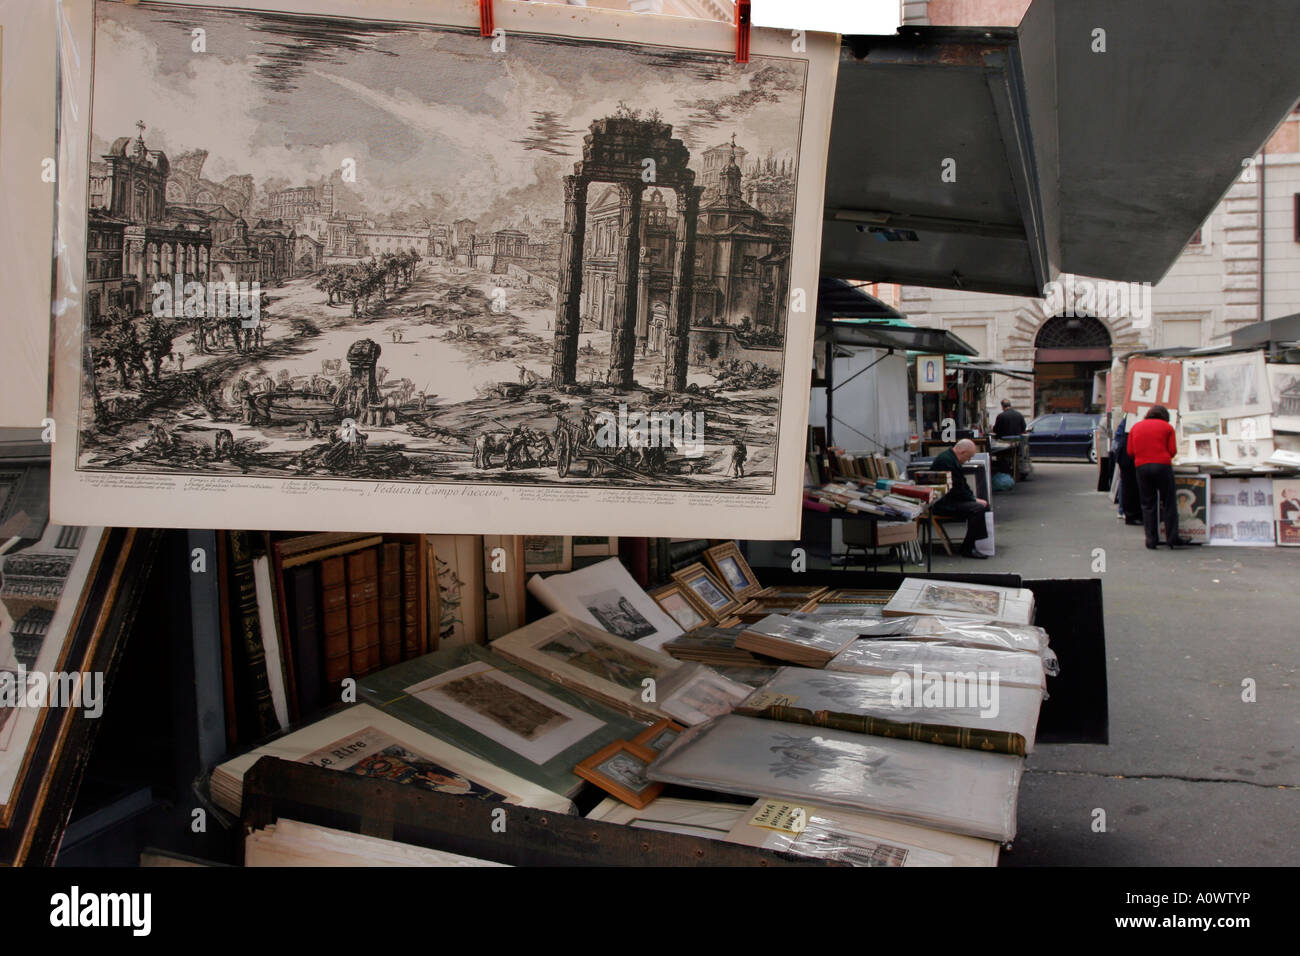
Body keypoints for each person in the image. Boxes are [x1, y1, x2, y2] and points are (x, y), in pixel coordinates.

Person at [1128, 405, 1189, 549]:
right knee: (1168, 502)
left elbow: (1130, 451)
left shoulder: (1136, 427)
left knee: (1147, 504)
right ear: (1165, 416)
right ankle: (1172, 538)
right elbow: (1172, 451)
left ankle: (1151, 539)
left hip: (1142, 467)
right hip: (1162, 466)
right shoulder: (1167, 428)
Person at [931, 438, 989, 559]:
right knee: (978, 508)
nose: (968, 460)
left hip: (947, 499)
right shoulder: (947, 461)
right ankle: (969, 547)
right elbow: (956, 489)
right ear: (962, 452)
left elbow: (960, 485)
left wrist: (972, 498)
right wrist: (973, 499)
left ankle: (971, 544)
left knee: (979, 506)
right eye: (968, 457)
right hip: (943, 503)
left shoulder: (950, 459)